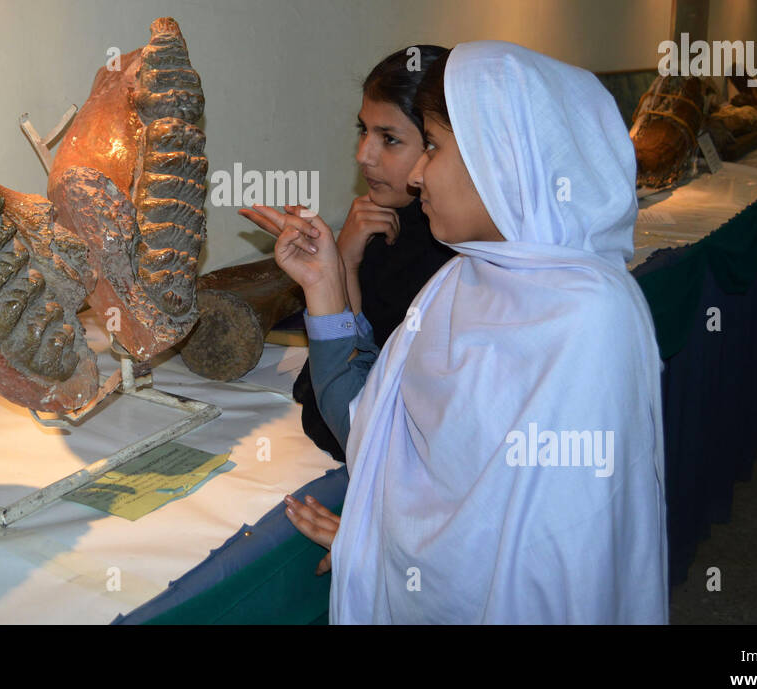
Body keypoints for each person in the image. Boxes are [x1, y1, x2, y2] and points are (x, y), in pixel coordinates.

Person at [248, 41, 668, 623]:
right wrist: (324, 287)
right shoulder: (459, 282)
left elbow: (545, 566)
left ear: (501, 158)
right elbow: (368, 428)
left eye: (434, 147)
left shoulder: (587, 320)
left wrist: (379, 552)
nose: (417, 175)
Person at [241, 46, 455, 462]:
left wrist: (337, 273)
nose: (363, 156)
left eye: (389, 139)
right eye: (364, 131)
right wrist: (345, 263)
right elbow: (330, 392)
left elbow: (343, 419)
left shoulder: (446, 255)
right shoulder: (382, 226)